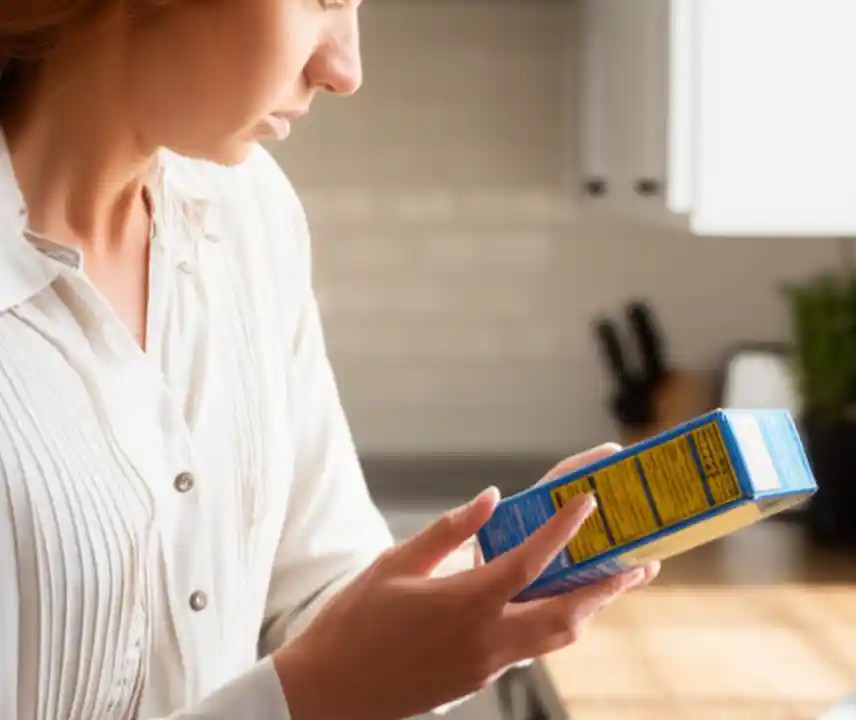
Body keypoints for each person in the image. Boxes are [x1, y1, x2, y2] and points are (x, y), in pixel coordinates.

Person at [0, 1, 658, 718]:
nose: (344, 70)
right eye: (322, 0)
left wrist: (498, 575)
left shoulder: (247, 212)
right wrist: (309, 697)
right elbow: (321, 682)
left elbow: (324, 600)